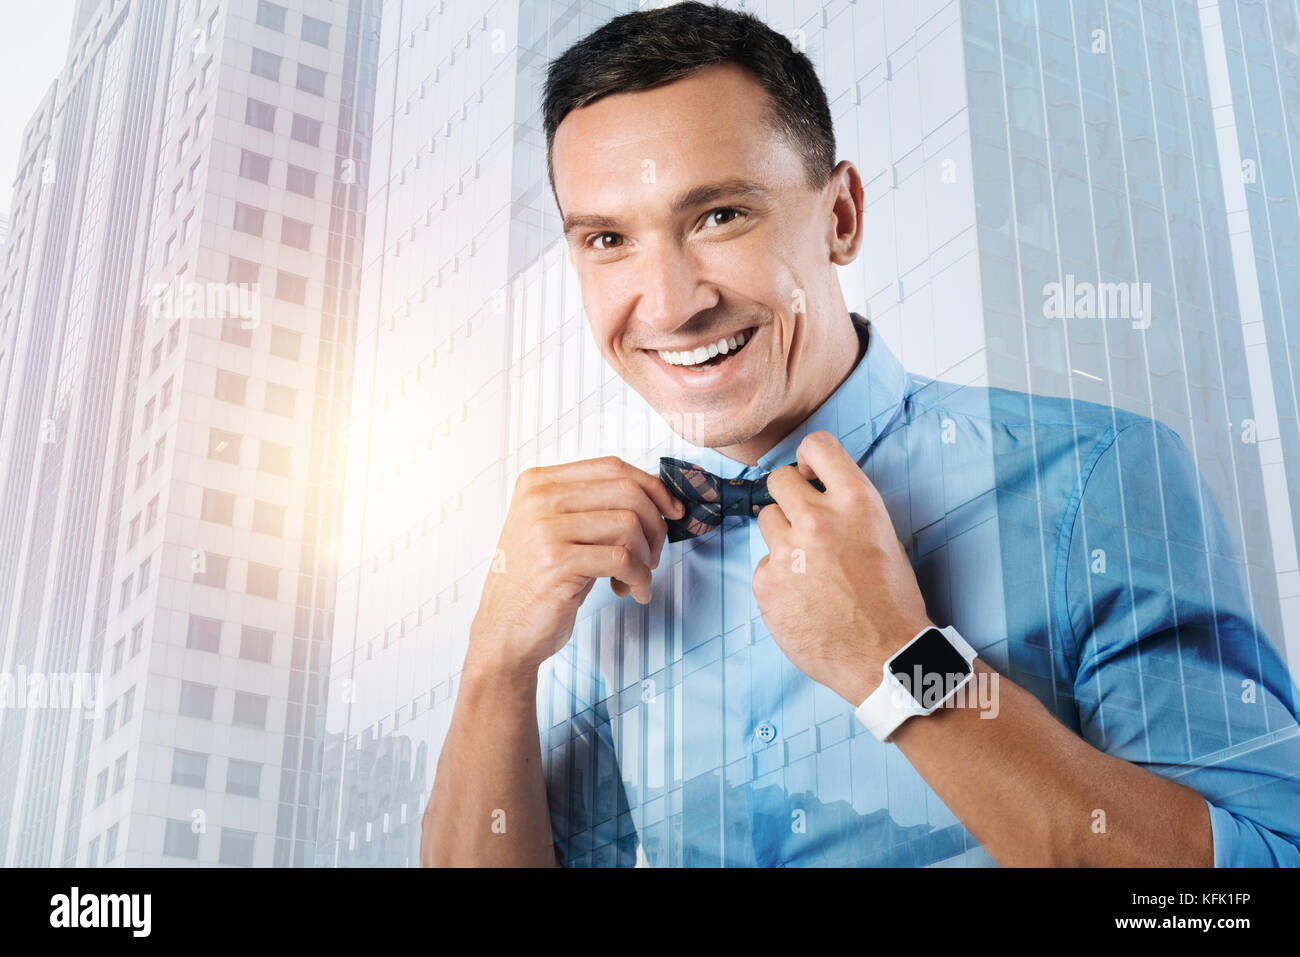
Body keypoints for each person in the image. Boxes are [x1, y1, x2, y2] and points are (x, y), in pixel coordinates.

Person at [422, 1, 1300, 867]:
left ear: (841, 216)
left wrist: (901, 664)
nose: (670, 303)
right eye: (608, 238)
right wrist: (494, 665)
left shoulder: (1097, 481)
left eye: (720, 215)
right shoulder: (598, 584)